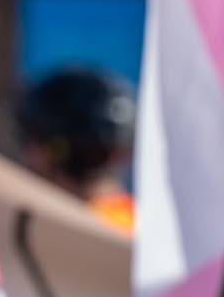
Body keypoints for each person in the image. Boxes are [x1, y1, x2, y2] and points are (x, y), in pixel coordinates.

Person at [15, 68, 136, 222]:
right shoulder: (140, 223)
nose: (26, 156)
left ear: (55, 151)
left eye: (30, 140)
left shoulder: (60, 225)